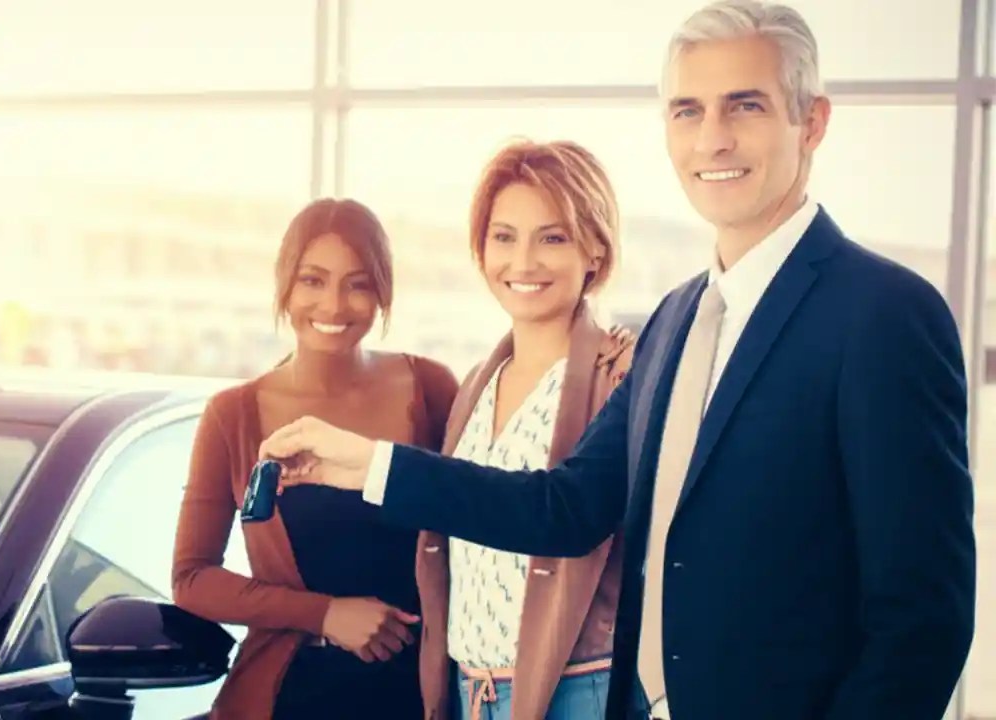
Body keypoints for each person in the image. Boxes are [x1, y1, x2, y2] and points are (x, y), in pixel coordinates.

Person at [257, 2, 977, 719]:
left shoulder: (882, 313)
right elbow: (564, 509)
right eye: (688, 111)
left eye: (745, 105)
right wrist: (368, 464)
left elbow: (923, 618)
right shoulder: (673, 322)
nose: (713, 139)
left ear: (811, 122)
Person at [171, 197, 460, 719]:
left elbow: (478, 520)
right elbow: (191, 578)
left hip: (416, 695)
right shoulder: (232, 416)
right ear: (285, 285)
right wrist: (324, 614)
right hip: (288, 695)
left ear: (382, 292)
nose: (333, 305)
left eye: (358, 284)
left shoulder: (429, 390)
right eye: (313, 280)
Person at [421, 139, 638, 720]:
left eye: (552, 238)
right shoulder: (477, 383)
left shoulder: (618, 376)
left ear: (594, 248)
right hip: (474, 691)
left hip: (580, 689)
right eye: (504, 237)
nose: (522, 262)